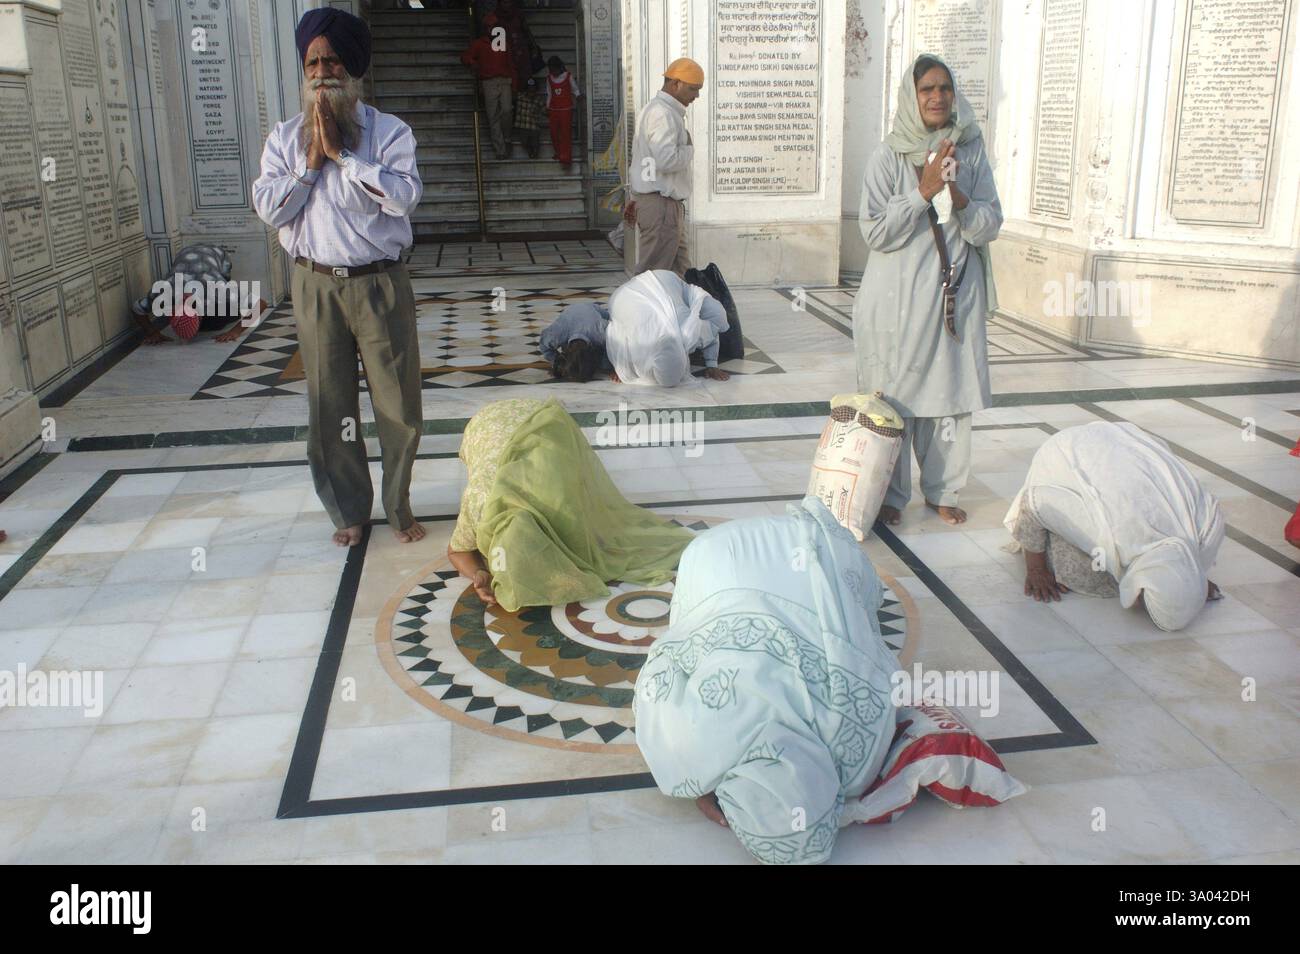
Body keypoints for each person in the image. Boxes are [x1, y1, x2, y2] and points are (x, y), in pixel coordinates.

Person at [634, 496, 899, 865]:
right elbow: (658, 671)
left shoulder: (859, 759)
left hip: (811, 551)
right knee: (691, 634)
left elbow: (877, 662)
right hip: (716, 561)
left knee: (849, 616)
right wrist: (698, 782)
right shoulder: (683, 750)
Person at [252, 8, 425, 547]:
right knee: (329, 405)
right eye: (313, 62)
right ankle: (348, 511)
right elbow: (270, 210)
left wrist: (342, 156)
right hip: (315, 285)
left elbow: (402, 198)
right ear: (303, 70)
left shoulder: (390, 133)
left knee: (397, 405)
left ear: (352, 70)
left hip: (379, 284)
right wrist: (309, 164)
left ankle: (397, 505)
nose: (322, 72)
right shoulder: (283, 139)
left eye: (332, 61)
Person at [853, 54, 1002, 527]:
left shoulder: (971, 149)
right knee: (893, 394)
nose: (937, 97)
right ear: (910, 97)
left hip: (953, 292)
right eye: (926, 90)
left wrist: (957, 196)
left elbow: (989, 223)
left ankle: (942, 488)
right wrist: (924, 190)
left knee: (949, 394)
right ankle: (891, 493)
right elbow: (875, 232)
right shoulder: (888, 154)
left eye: (944, 88)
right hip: (896, 299)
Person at [447, 398, 693, 611]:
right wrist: (478, 573)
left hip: (539, 418)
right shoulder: (478, 501)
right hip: (487, 427)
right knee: (487, 470)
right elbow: (457, 550)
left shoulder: (559, 506)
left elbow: (457, 551)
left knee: (573, 477)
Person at [1004, 421, 1224, 632]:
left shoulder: (1207, 534)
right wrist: (1036, 569)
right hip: (1070, 448)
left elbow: (1180, 568)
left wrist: (1190, 582)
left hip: (1129, 446)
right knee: (1084, 572)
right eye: (1143, 600)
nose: (1137, 604)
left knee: (1100, 573)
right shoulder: (1109, 532)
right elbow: (1035, 503)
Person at [627, 58, 701, 276]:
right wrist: (689, 149)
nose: (696, 96)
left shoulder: (659, 110)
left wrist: (637, 196)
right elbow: (666, 160)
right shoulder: (663, 113)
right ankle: (635, 310)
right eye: (693, 89)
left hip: (660, 203)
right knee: (654, 275)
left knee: (679, 272)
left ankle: (676, 311)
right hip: (661, 205)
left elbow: (645, 162)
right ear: (675, 84)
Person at [606, 269, 730, 385]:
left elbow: (712, 329)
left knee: (715, 315)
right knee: (714, 318)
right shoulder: (635, 364)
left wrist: (712, 364)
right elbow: (614, 335)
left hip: (662, 280)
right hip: (620, 297)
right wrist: (619, 368)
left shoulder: (688, 332)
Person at [132, 244, 268, 345]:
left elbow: (261, 304)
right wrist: (152, 332)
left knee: (228, 311)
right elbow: (137, 309)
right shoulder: (165, 290)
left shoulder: (217, 288)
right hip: (184, 254)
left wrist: (236, 331)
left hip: (217, 254)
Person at [460, 25, 516, 160]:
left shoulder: (503, 43)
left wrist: (514, 84)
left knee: (507, 110)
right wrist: (472, 62)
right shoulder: (479, 44)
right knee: (493, 116)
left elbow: (511, 64)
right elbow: (465, 56)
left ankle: (507, 139)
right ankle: (500, 149)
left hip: (504, 80)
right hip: (488, 81)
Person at [538, 301, 612, 382]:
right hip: (572, 313)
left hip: (594, 309)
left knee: (606, 364)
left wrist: (617, 370)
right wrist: (555, 360)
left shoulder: (603, 332)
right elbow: (544, 346)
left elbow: (618, 349)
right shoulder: (555, 335)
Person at [483, 0, 537, 92]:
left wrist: (533, 46)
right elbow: (490, 35)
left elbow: (526, 30)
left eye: (509, 2)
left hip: (520, 50)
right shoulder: (495, 16)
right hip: (505, 51)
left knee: (524, 75)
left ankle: (522, 98)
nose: (507, 5)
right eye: (504, 2)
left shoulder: (518, 14)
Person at [544, 55, 580, 169]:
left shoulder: (568, 76)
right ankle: (558, 152)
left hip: (566, 110)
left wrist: (578, 96)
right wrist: (547, 107)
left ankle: (566, 157)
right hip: (554, 110)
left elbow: (575, 89)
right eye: (550, 70)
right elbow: (549, 94)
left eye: (554, 69)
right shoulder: (549, 79)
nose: (552, 72)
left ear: (560, 67)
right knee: (554, 133)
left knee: (565, 134)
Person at [513, 76, 546, 159]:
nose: (531, 91)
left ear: (536, 90)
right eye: (529, 89)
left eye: (533, 89)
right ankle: (530, 150)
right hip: (522, 125)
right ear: (526, 89)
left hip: (534, 125)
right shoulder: (520, 97)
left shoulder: (538, 100)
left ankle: (535, 153)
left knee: (535, 141)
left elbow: (544, 110)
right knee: (524, 141)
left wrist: (544, 112)